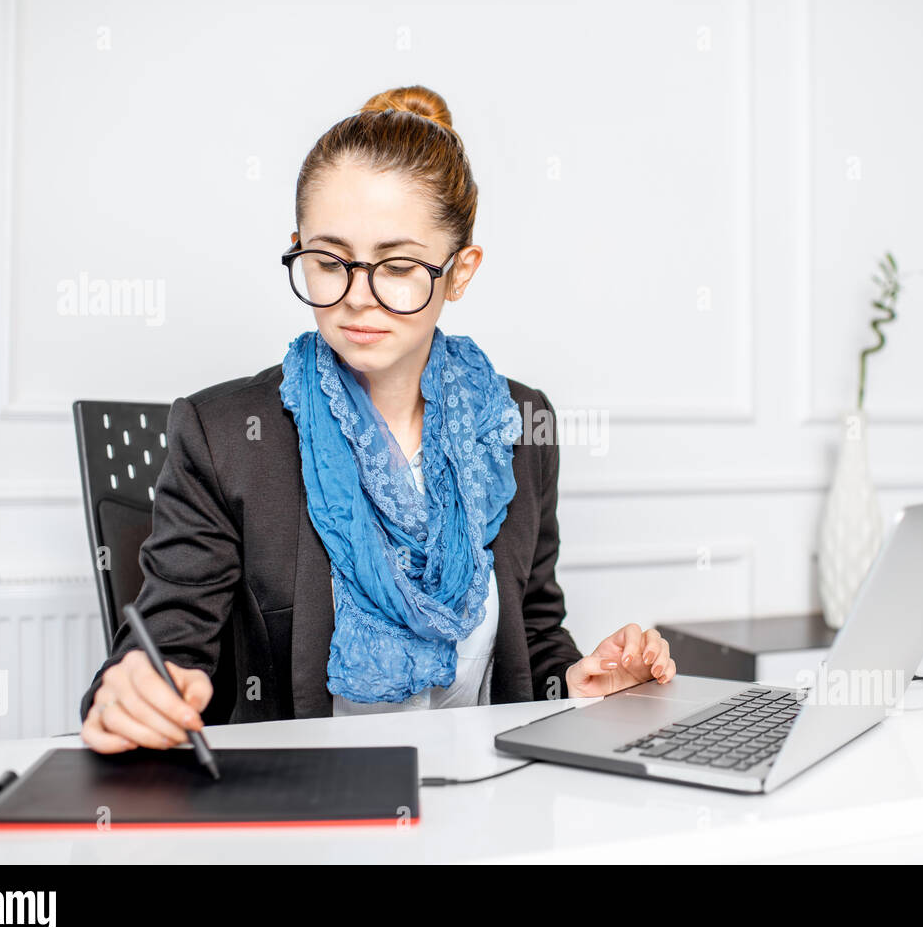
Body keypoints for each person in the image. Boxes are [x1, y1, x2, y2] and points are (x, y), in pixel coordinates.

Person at [80, 85, 677, 753]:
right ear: (298, 246)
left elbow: (532, 639)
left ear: (459, 272)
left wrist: (579, 680)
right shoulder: (222, 437)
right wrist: (132, 691)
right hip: (309, 815)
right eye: (330, 261)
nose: (357, 298)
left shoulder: (519, 422)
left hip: (489, 813)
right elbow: (161, 651)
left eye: (396, 266)